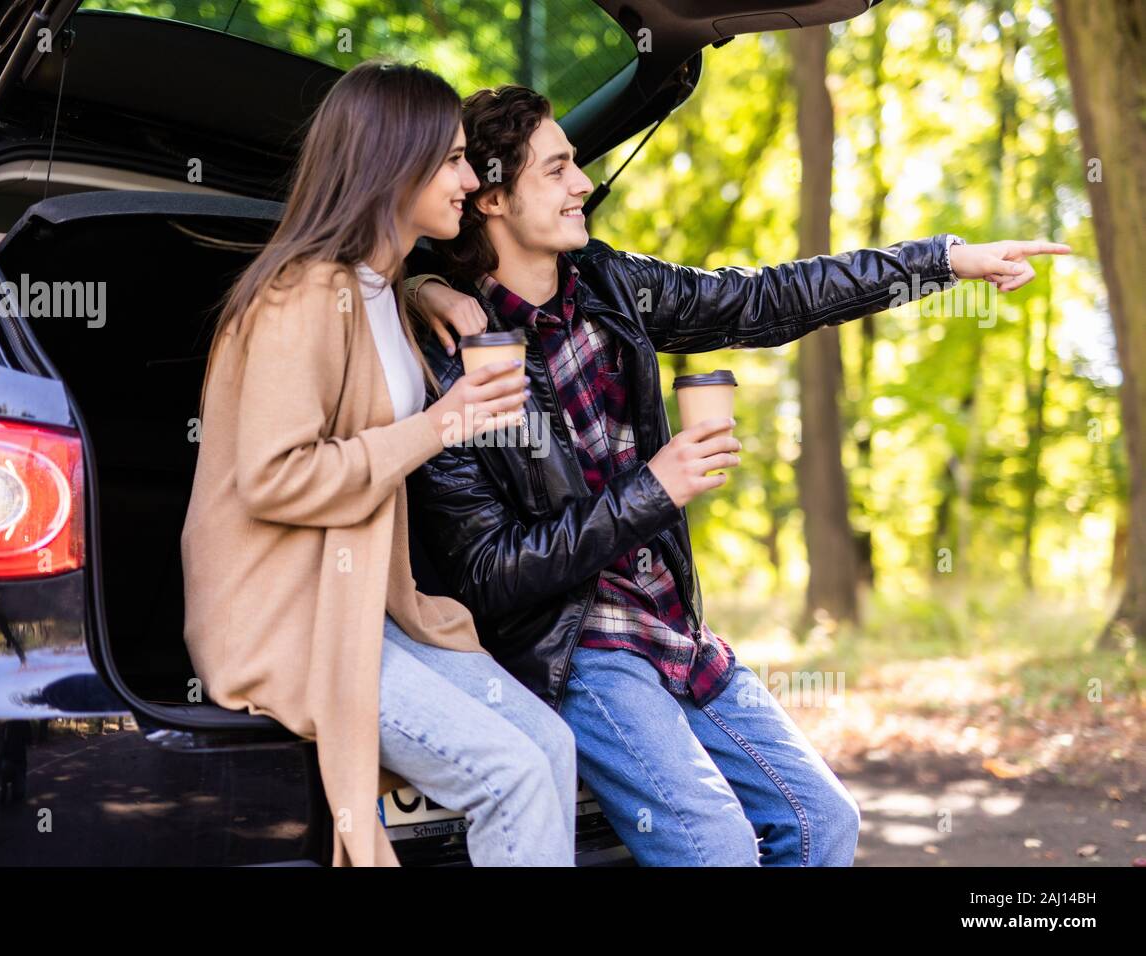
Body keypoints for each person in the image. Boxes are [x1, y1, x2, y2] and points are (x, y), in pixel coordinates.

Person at [404, 83, 1070, 866]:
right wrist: (655, 489)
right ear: (488, 198)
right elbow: (486, 575)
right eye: (557, 170)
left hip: (673, 624)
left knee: (825, 824)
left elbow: (766, 298)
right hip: (578, 647)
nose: (584, 183)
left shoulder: (614, 289)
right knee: (715, 847)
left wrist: (942, 261)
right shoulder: (452, 363)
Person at [181, 64, 579, 867]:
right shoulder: (301, 296)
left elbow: (378, 320)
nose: (471, 179)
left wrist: (428, 290)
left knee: (551, 745)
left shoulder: (377, 288)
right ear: (392, 164)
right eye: (452, 160)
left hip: (368, 611)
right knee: (513, 774)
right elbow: (274, 476)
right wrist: (443, 423)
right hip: (288, 623)